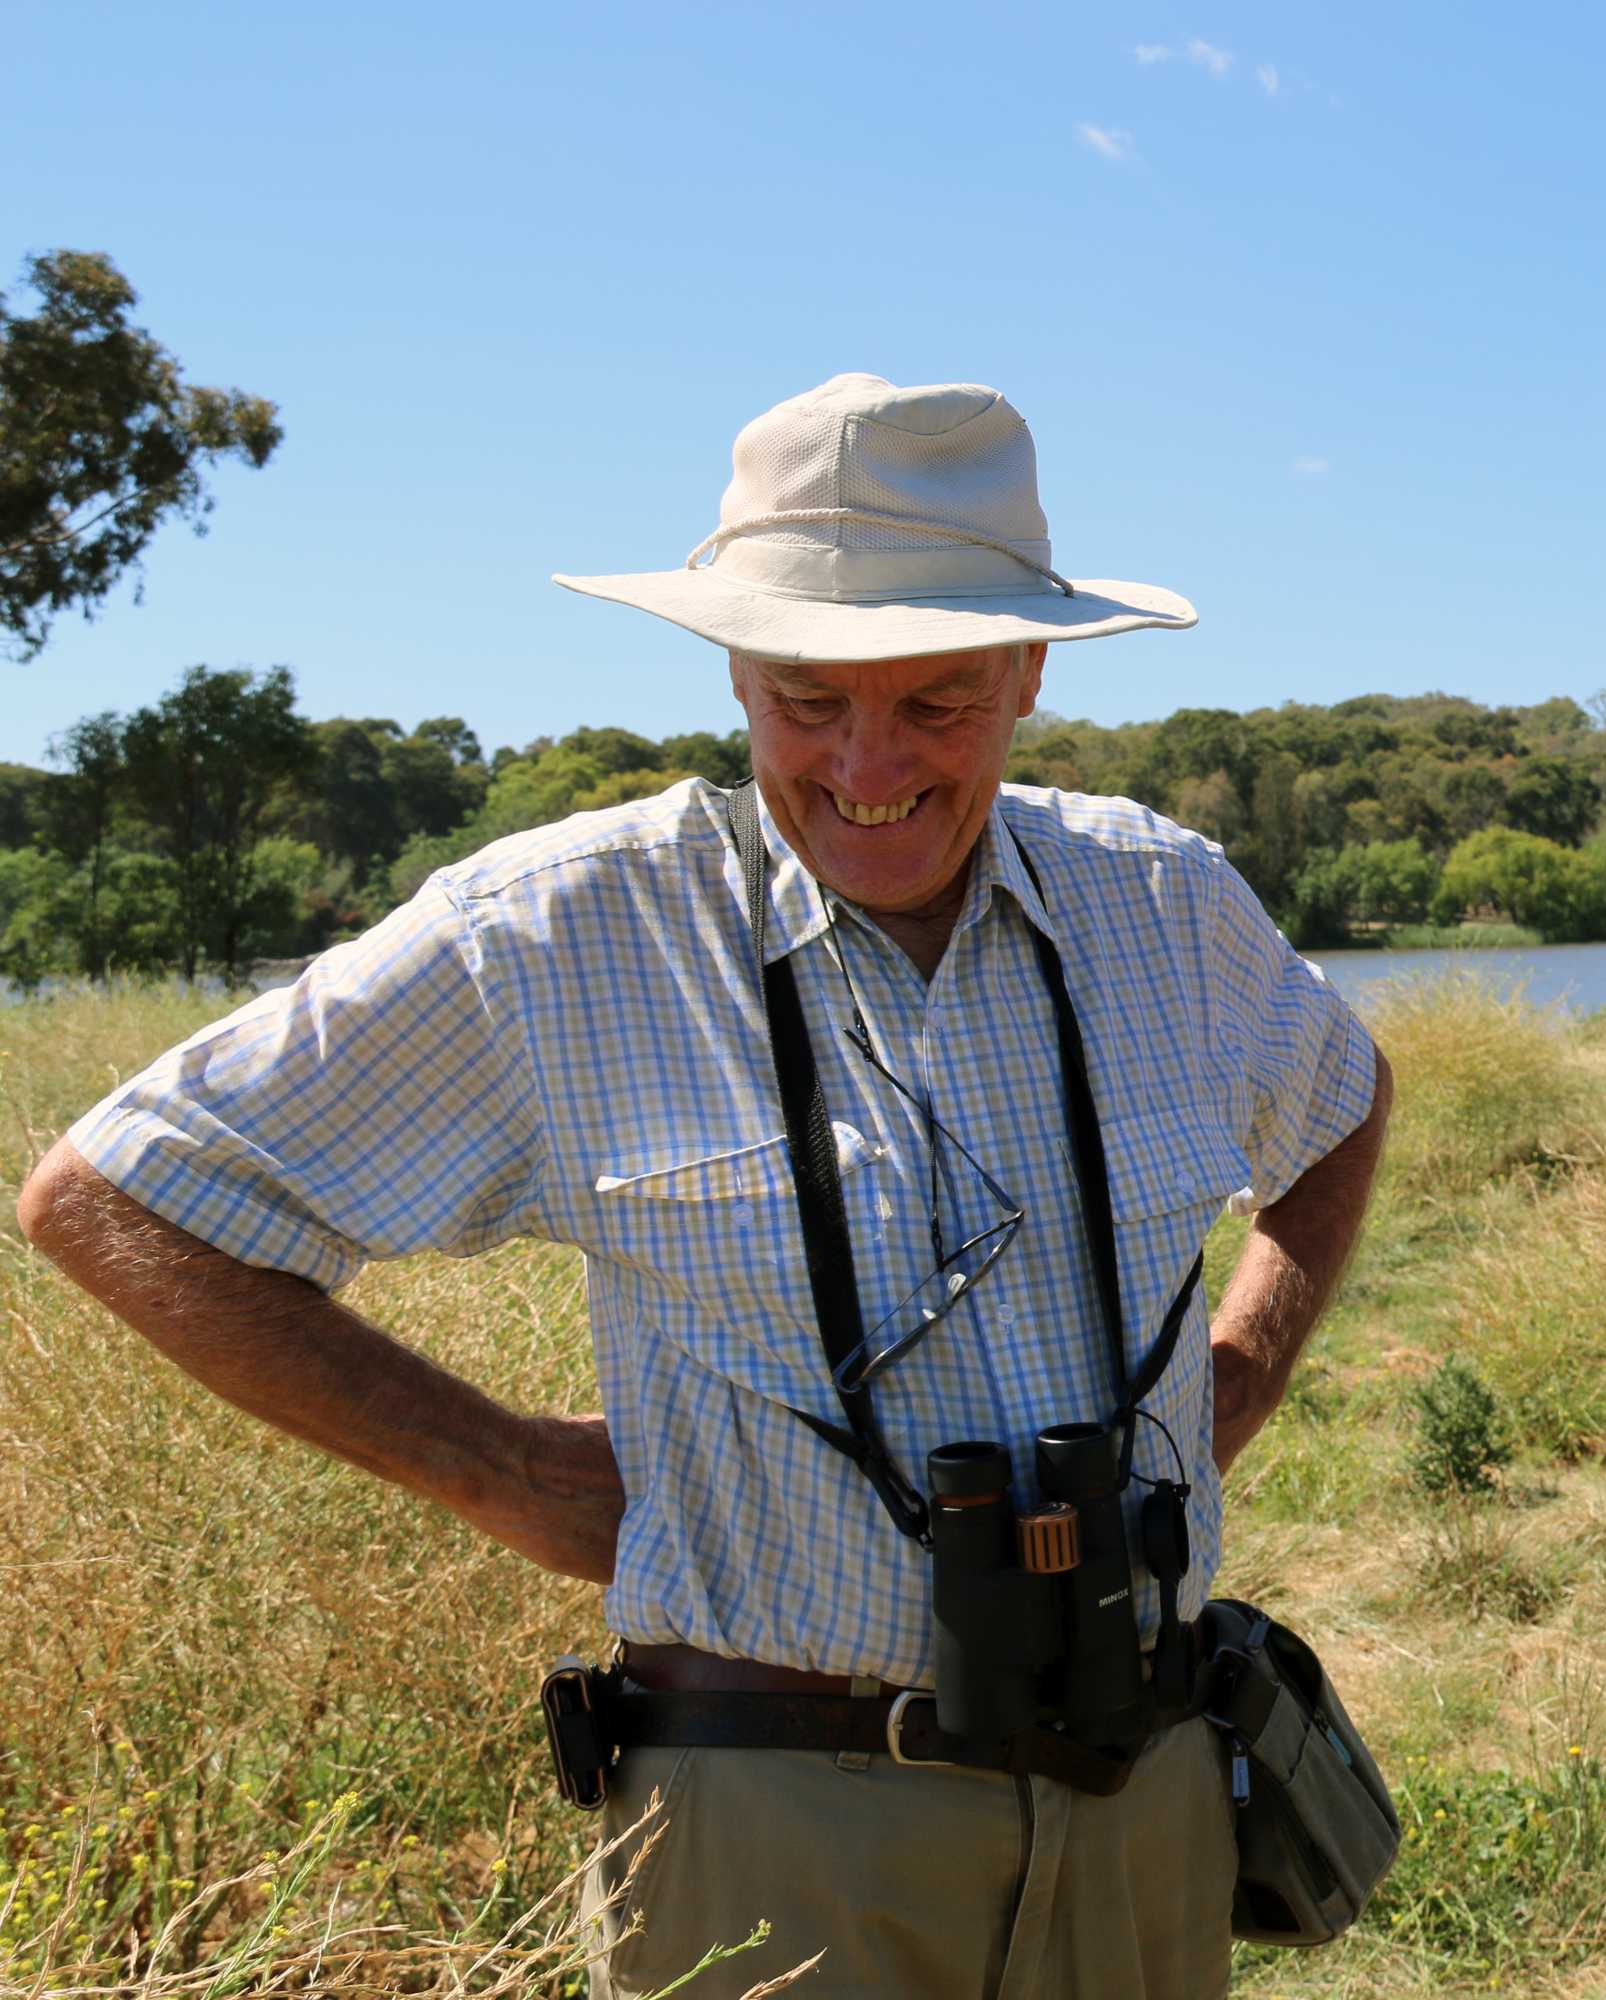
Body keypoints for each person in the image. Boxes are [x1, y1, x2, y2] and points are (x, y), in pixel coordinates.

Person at [16, 373, 1391, 1999]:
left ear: (1031, 670)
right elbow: (116, 1196)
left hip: (1148, 1786)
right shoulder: (557, 933)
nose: (865, 763)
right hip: (768, 1820)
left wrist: (1241, 1371)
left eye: (936, 701)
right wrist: (502, 1472)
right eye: (807, 699)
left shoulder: (1160, 904)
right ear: (733, 668)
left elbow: (1344, 1102)